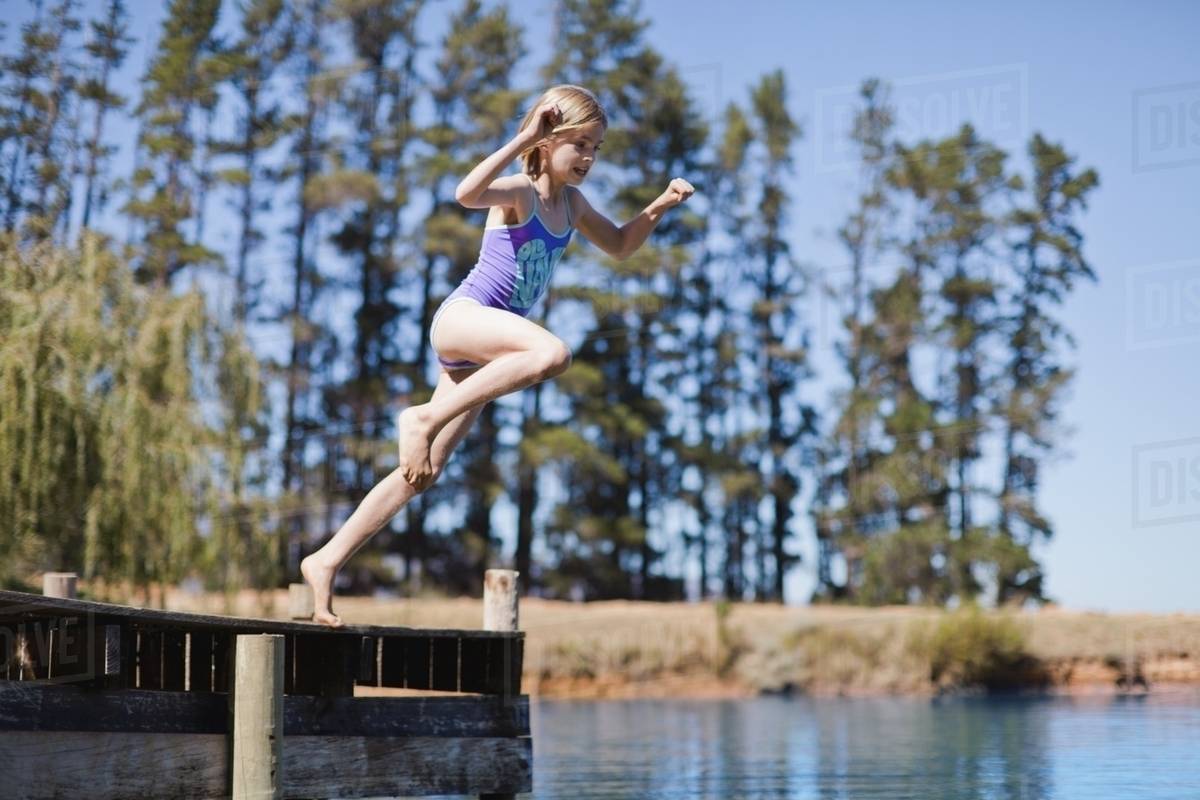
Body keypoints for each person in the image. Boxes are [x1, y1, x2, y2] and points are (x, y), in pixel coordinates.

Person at [301, 84, 695, 627]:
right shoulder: (522, 193)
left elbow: (623, 245)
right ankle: (422, 417)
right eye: (579, 144)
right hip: (463, 320)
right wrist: (521, 140)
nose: (588, 158)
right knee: (551, 351)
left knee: (424, 471)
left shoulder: (572, 205)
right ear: (548, 138)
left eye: (596, 148)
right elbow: (466, 193)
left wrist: (661, 205)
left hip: (484, 356)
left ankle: (325, 561)